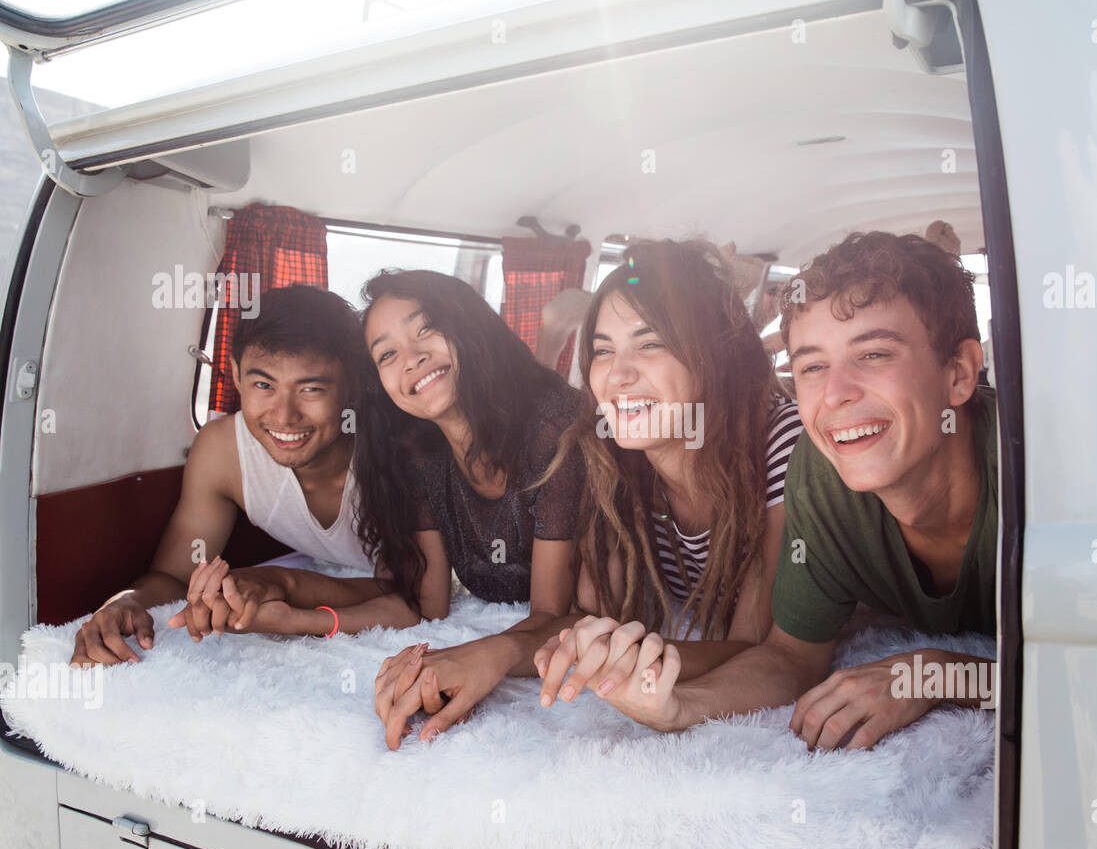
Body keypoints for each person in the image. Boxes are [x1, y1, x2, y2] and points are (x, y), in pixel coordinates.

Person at [542, 231, 998, 751]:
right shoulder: (822, 472)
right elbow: (790, 658)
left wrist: (935, 675)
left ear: (959, 373)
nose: (836, 394)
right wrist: (673, 708)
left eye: (873, 355)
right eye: (812, 367)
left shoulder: (1045, 474)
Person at [375, 239, 803, 732]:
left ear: (713, 353)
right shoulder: (609, 454)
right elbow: (583, 615)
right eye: (602, 351)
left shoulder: (781, 443)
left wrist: (632, 663)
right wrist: (487, 656)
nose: (618, 375)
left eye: (650, 343)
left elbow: (757, 648)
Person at [228, 270, 585, 748]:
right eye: (387, 354)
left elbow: (551, 612)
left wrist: (476, 657)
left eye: (426, 329)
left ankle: (554, 333)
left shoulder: (553, 431)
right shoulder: (418, 449)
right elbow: (425, 604)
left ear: (467, 326)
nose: (412, 359)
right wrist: (300, 619)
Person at [71, 285, 378, 666]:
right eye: (263, 385)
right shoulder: (221, 451)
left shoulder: (392, 453)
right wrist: (125, 602)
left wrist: (282, 584)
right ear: (234, 374)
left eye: (311, 388)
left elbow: (415, 595)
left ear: (354, 385)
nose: (284, 416)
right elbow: (174, 574)